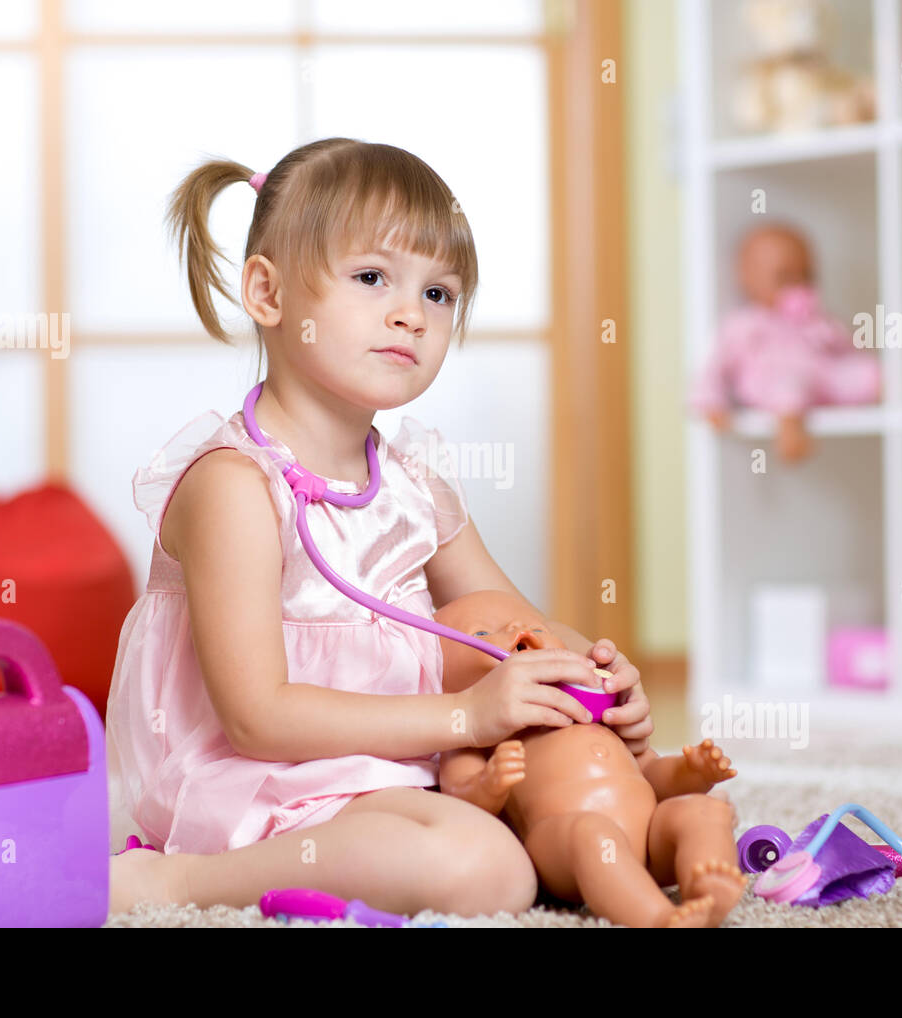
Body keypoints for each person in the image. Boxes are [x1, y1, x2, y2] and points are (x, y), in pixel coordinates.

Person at [106, 138, 655, 919]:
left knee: (574, 817)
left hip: (393, 760)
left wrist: (594, 677)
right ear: (267, 294)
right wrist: (468, 716)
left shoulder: (412, 481)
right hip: (260, 776)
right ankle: (177, 882)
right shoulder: (232, 487)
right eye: (373, 279)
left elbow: (508, 630)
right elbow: (256, 718)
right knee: (487, 872)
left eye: (440, 294)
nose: (411, 315)